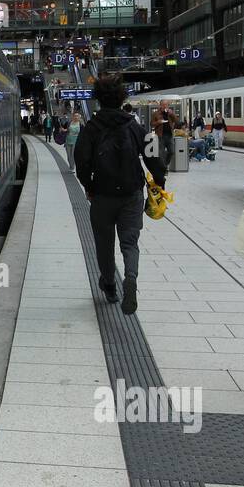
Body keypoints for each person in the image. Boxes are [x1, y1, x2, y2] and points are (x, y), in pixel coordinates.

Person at [74, 74, 167, 315]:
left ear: (98, 99)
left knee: (104, 245)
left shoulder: (91, 129)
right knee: (130, 242)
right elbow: (155, 158)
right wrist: (159, 183)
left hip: (102, 196)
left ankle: (109, 286)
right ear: (121, 98)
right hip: (131, 195)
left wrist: (89, 186)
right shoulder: (136, 127)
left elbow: (81, 161)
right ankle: (131, 278)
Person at [151, 100, 176, 168]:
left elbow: (176, 120)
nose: (165, 106)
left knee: (171, 151)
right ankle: (163, 168)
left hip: (169, 135)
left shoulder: (170, 112)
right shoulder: (156, 113)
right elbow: (152, 124)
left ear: (168, 105)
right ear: (160, 105)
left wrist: (172, 114)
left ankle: (165, 164)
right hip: (160, 136)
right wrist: (158, 122)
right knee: (161, 153)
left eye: (166, 105)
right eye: (163, 105)